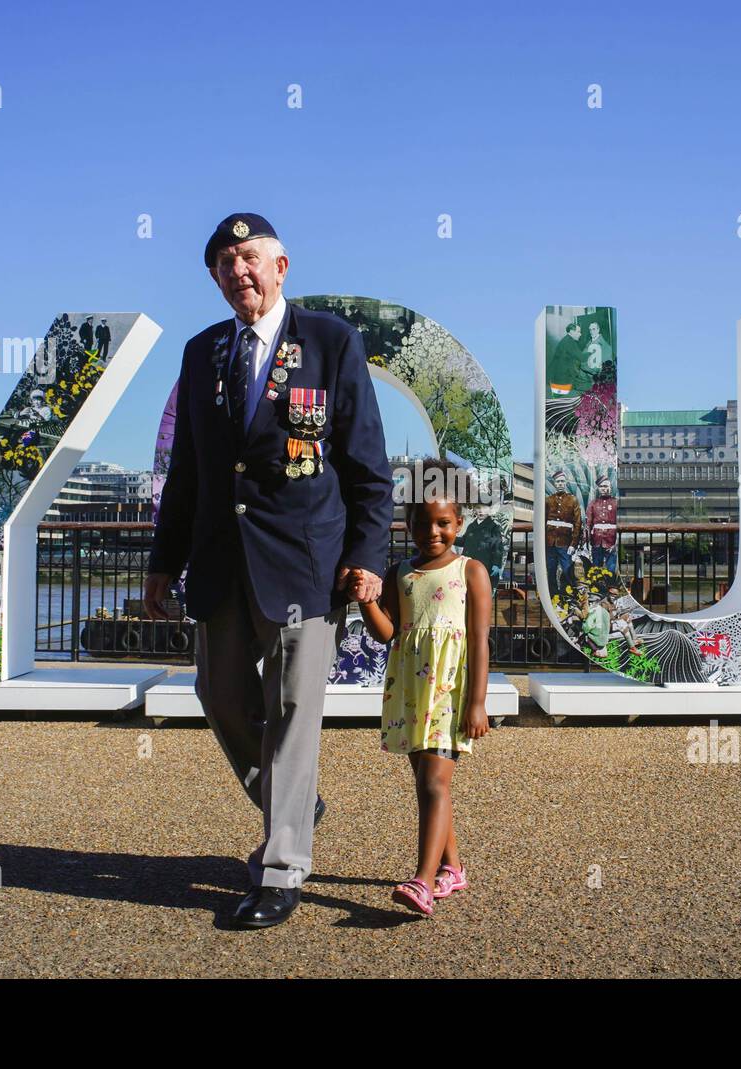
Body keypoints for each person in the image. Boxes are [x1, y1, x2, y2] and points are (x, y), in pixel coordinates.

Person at [143, 212, 393, 930]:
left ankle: (283, 870)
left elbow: (368, 468)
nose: (238, 271)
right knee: (219, 695)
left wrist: (367, 558)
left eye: (249, 257)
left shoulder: (331, 342)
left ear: (282, 266)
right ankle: (295, 802)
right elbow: (187, 470)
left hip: (304, 567)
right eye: (224, 263)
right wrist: (163, 563)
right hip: (221, 564)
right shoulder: (201, 354)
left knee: (291, 719)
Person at [357, 459, 491, 916]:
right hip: (411, 692)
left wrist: (477, 703)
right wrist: (367, 603)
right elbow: (388, 632)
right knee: (427, 781)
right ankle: (453, 868)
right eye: (422, 523)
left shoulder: (471, 572)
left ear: (459, 522)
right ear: (408, 524)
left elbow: (479, 641)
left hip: (450, 691)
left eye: (444, 523)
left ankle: (423, 880)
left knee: (434, 781)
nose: (433, 532)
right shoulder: (400, 573)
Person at [544, 470, 581, 598]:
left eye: (562, 481)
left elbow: (577, 523)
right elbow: (542, 521)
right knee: (551, 570)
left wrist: (573, 544)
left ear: (565, 483)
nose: (560, 484)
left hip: (565, 542)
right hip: (549, 541)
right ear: (554, 483)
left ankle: (568, 594)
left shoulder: (572, 500)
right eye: (558, 481)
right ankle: (553, 596)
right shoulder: (548, 500)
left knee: (567, 569)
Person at [547, 321, 590, 397]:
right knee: (561, 400)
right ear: (571, 332)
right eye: (578, 332)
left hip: (559, 375)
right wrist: (592, 352)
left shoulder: (567, 340)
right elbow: (582, 357)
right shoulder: (569, 342)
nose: (580, 334)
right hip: (561, 378)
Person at [587, 473, 618, 573]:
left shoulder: (616, 503)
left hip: (611, 540)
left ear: (610, 487)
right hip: (597, 540)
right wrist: (587, 539)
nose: (603, 489)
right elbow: (588, 523)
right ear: (598, 489)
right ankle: (597, 587)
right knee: (596, 569)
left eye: (606, 486)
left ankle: (610, 587)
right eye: (601, 486)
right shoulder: (593, 503)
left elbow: (621, 524)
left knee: (611, 569)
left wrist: (617, 542)